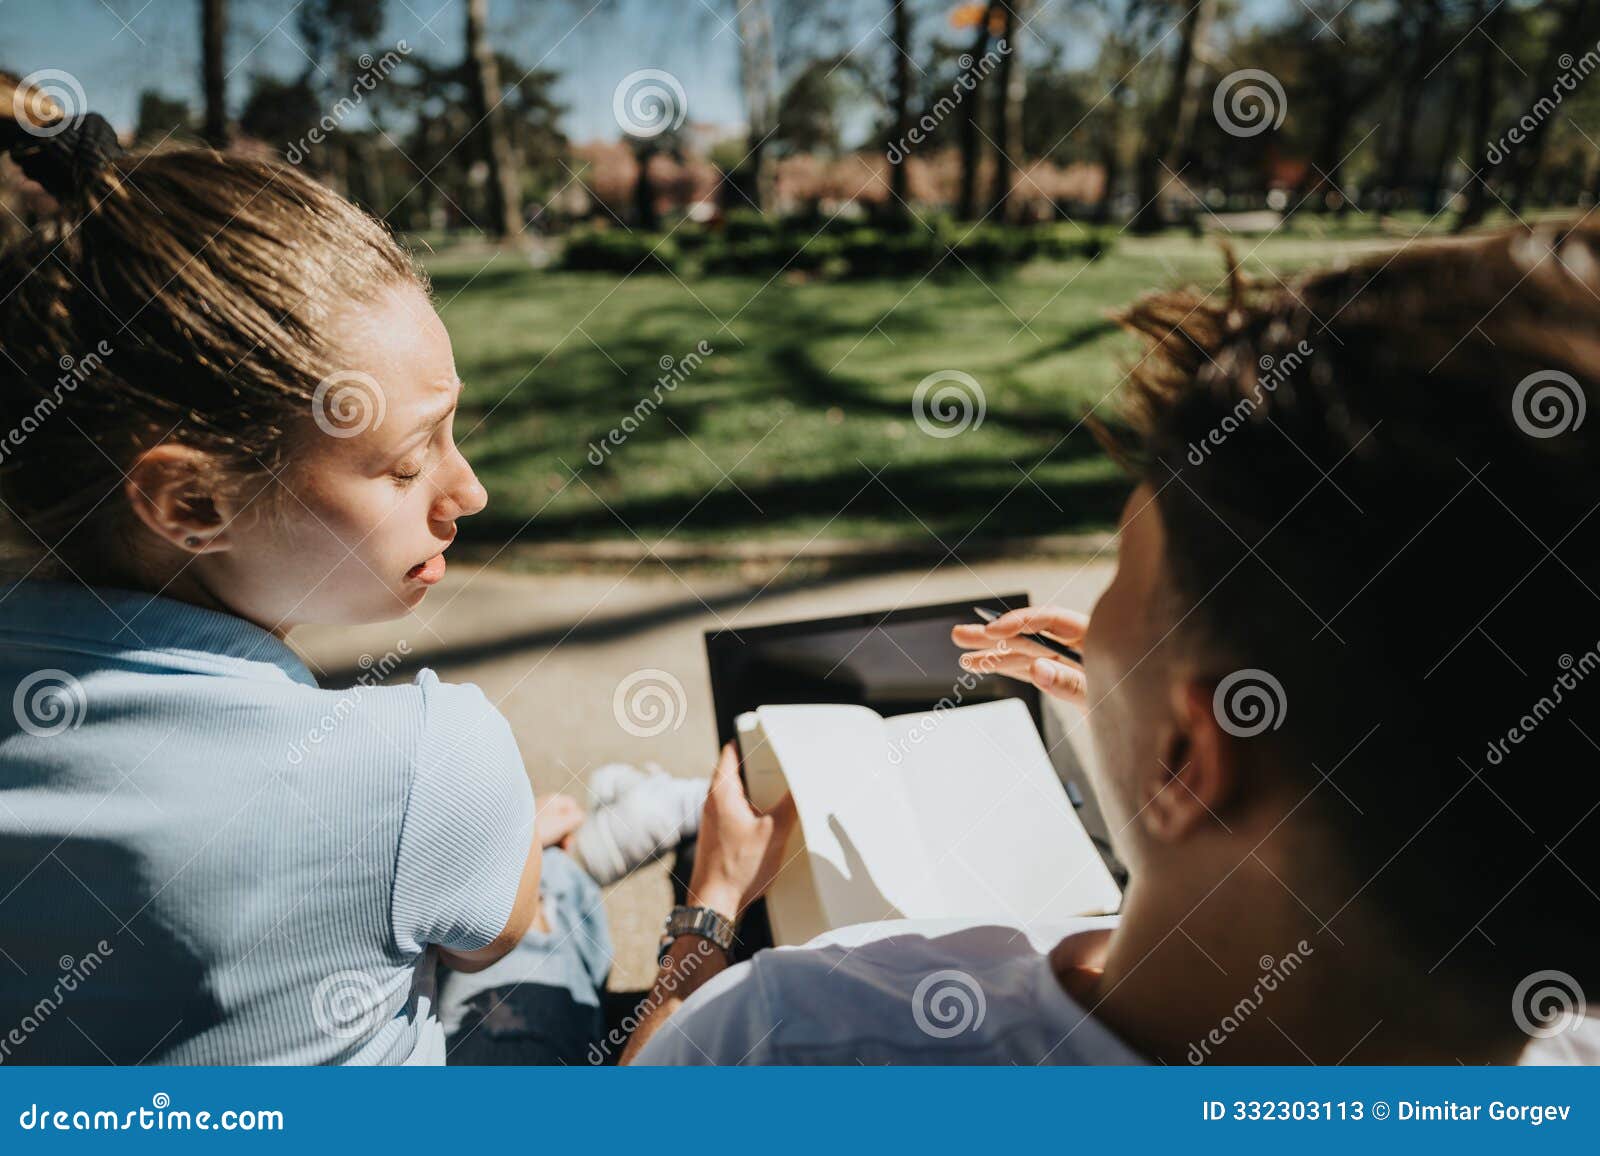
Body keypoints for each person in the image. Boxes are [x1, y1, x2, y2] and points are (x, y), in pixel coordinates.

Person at [624, 222, 1600, 1065]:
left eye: (1124, 583)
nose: (1100, 630)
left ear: (1194, 756)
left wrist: (702, 929)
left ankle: (638, 823)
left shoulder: (788, 1041)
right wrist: (1184, 708)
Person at [0, 79, 707, 1065]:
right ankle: (583, 859)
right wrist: (706, 917)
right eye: (407, 462)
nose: (469, 493)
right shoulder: (420, 760)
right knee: (530, 935)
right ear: (192, 503)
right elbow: (493, 936)